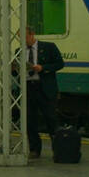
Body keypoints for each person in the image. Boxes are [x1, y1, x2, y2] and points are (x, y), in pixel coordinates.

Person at [21, 26, 63, 159]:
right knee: (30, 120)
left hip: (45, 88)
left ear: (32, 35)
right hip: (28, 88)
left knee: (51, 119)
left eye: (25, 37)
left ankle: (59, 149)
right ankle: (34, 149)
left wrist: (43, 68)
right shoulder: (19, 51)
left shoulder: (49, 47)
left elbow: (59, 64)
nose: (22, 41)